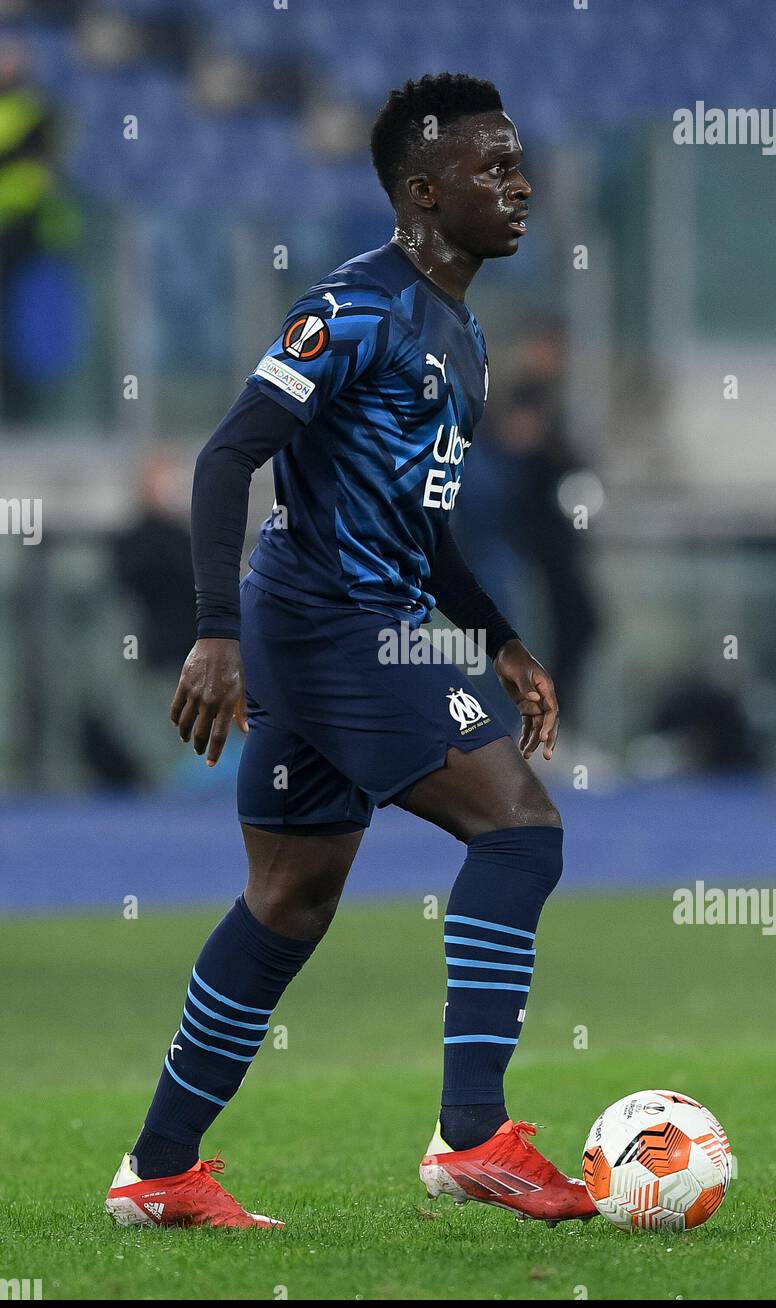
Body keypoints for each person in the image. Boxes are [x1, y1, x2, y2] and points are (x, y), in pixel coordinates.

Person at [105, 73, 596, 1230]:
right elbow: (229, 455)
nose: (521, 186)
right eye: (494, 168)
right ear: (424, 192)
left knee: (288, 898)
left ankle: (157, 1170)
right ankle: (471, 1133)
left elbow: (423, 525)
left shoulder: (463, 341)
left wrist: (503, 640)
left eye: (522, 163)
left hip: (350, 619)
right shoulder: (357, 307)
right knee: (519, 830)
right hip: (326, 624)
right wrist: (213, 632)